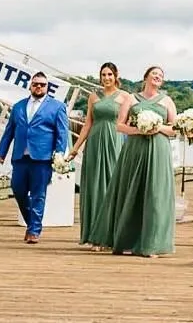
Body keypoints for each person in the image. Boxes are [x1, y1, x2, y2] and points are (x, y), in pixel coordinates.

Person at [106, 64, 177, 257]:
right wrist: (139, 130)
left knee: (155, 194)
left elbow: (175, 129)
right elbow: (119, 126)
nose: (157, 77)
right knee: (133, 192)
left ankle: (152, 244)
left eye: (160, 75)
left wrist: (158, 128)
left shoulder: (167, 101)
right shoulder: (131, 98)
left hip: (159, 149)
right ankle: (126, 240)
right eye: (154, 73)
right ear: (146, 77)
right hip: (136, 148)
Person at [0, 72, 70, 244]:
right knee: (18, 189)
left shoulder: (57, 107)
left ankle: (34, 231)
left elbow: (62, 133)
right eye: (35, 84)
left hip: (42, 158)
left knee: (38, 194)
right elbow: (9, 131)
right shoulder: (19, 106)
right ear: (30, 85)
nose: (38, 87)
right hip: (21, 156)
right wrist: (2, 152)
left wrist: (59, 153)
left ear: (47, 87)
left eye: (42, 85)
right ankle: (32, 223)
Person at [68, 62, 125, 249]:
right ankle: (94, 236)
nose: (106, 78)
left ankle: (110, 236)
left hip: (114, 142)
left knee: (111, 186)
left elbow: (129, 122)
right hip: (94, 143)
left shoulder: (125, 97)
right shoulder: (93, 96)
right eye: (103, 75)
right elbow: (87, 125)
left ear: (116, 76)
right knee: (94, 187)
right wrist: (75, 148)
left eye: (109, 74)